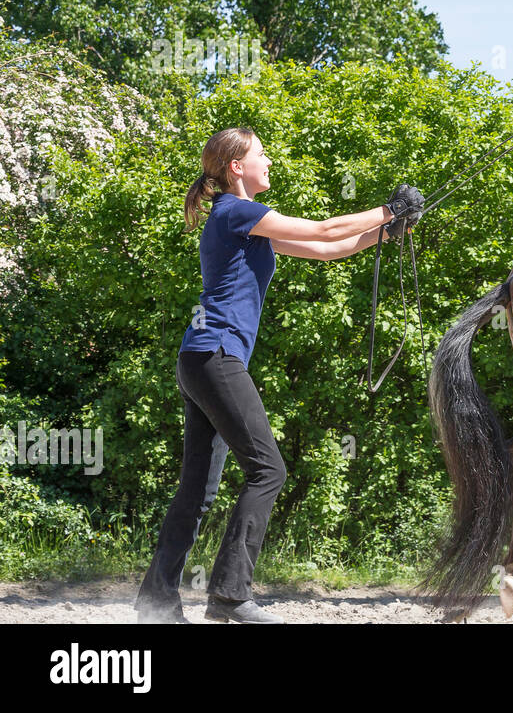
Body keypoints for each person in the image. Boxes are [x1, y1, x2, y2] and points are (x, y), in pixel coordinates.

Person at [134, 126, 424, 624]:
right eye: (260, 156)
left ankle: (156, 602)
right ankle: (228, 596)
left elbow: (329, 249)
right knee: (269, 470)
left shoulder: (245, 224)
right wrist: (386, 210)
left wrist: (387, 232)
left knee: (197, 490)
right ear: (235, 168)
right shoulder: (235, 210)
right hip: (217, 356)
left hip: (201, 359)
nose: (268, 162)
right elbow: (325, 228)